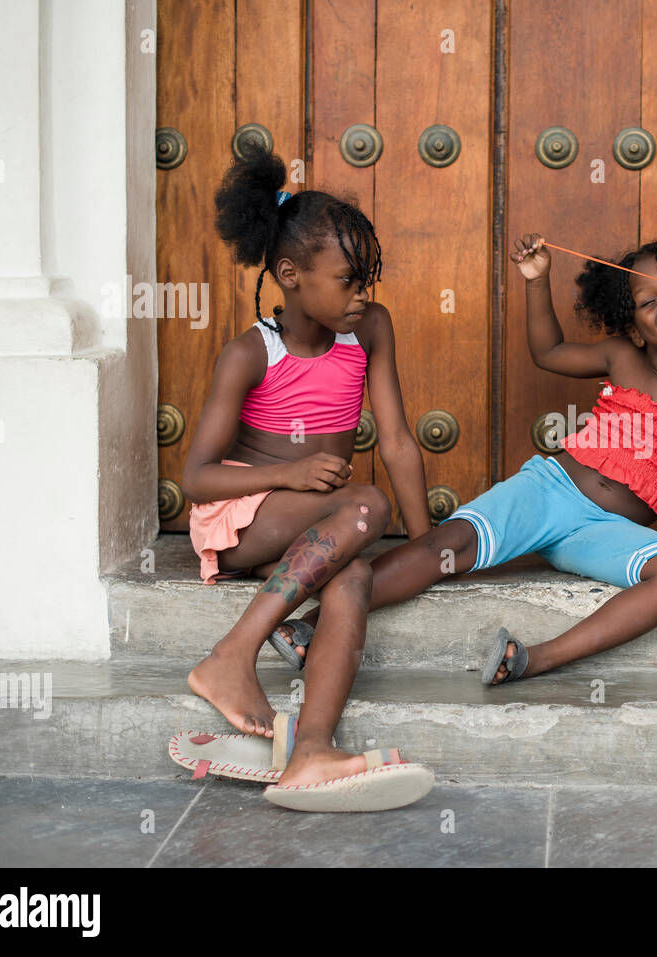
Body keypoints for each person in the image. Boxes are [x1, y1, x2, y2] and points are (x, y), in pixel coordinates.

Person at [269, 233, 657, 685]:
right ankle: (311, 625)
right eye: (649, 301)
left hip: (602, 535)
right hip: (549, 491)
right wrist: (537, 282)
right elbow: (547, 352)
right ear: (633, 327)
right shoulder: (622, 357)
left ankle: (537, 658)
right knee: (445, 546)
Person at [181, 152, 432, 791]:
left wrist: (432, 546)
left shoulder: (369, 329)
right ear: (291, 276)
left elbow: (399, 440)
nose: (363, 295)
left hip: (311, 529)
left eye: (366, 278)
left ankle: (313, 748)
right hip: (240, 521)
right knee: (368, 504)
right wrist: (286, 476)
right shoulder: (249, 353)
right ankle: (233, 654)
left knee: (351, 577)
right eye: (348, 280)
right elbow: (197, 479)